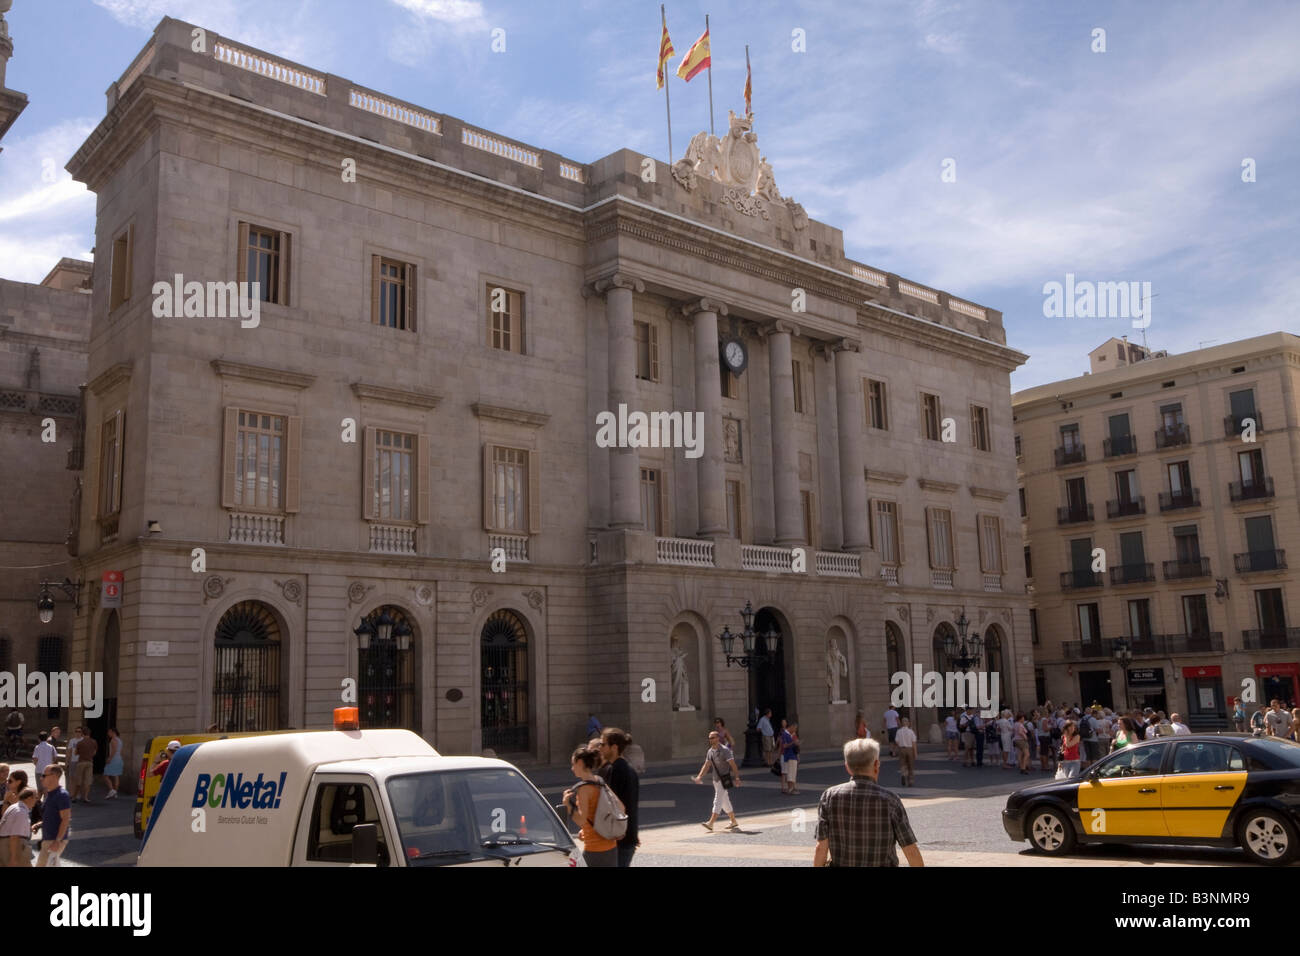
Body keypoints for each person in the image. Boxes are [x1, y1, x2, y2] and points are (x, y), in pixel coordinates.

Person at [813, 737, 924, 868]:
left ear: (847, 767)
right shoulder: (890, 800)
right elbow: (910, 849)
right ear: (876, 765)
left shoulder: (829, 796)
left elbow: (821, 847)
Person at [561, 747, 618, 867]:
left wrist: (568, 805)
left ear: (580, 763)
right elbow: (620, 807)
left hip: (594, 849)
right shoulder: (600, 781)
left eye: (573, 764)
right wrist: (587, 829)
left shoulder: (583, 789)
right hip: (611, 846)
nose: (572, 768)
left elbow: (581, 820)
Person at [597, 728, 639, 867]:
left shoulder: (616, 770)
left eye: (603, 744)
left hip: (619, 836)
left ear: (614, 747)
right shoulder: (628, 768)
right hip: (628, 834)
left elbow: (614, 805)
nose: (600, 747)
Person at [693, 730, 741, 830]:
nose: (711, 740)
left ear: (718, 738)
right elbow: (706, 765)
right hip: (716, 780)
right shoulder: (710, 751)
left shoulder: (725, 750)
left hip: (724, 779)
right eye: (710, 738)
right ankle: (733, 821)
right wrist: (699, 776)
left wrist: (737, 778)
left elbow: (733, 765)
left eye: (713, 737)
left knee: (718, 800)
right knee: (724, 801)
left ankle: (711, 823)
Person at [35, 765, 71, 867]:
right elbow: (52, 816)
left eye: (44, 775)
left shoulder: (62, 795)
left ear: (54, 776)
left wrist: (57, 841)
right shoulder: (49, 794)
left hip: (53, 840)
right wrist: (39, 824)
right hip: (48, 839)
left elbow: (65, 819)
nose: (41, 778)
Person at [2, 786, 37, 867]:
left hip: (8, 845)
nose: (36, 800)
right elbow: (14, 836)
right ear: (28, 798)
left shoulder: (14, 807)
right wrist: (13, 859)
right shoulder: (21, 812)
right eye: (35, 797)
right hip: (15, 847)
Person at [70, 727, 97, 803]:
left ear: (82, 734)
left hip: (81, 762)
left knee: (78, 780)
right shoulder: (94, 742)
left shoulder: (80, 743)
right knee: (88, 781)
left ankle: (74, 797)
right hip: (90, 762)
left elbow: (75, 753)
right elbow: (94, 752)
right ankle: (85, 797)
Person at [895, 717, 918, 786]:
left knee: (903, 764)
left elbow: (896, 741)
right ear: (908, 723)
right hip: (909, 749)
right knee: (910, 765)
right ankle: (910, 780)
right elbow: (914, 743)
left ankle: (903, 775)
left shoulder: (898, 731)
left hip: (902, 749)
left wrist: (900, 747)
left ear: (902, 723)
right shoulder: (911, 731)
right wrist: (915, 752)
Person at [779, 721, 800, 795]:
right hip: (789, 756)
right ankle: (790, 789)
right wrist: (793, 742)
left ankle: (791, 788)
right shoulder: (785, 734)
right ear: (791, 727)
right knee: (790, 773)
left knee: (792, 773)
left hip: (792, 755)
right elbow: (784, 746)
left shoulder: (790, 734)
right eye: (795, 728)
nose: (795, 730)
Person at [102, 728, 123, 800]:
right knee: (116, 776)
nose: (108, 733)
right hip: (119, 759)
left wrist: (109, 758)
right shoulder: (119, 740)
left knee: (105, 775)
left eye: (109, 732)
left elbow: (114, 751)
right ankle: (115, 792)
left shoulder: (113, 740)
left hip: (113, 759)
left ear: (113, 732)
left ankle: (112, 790)